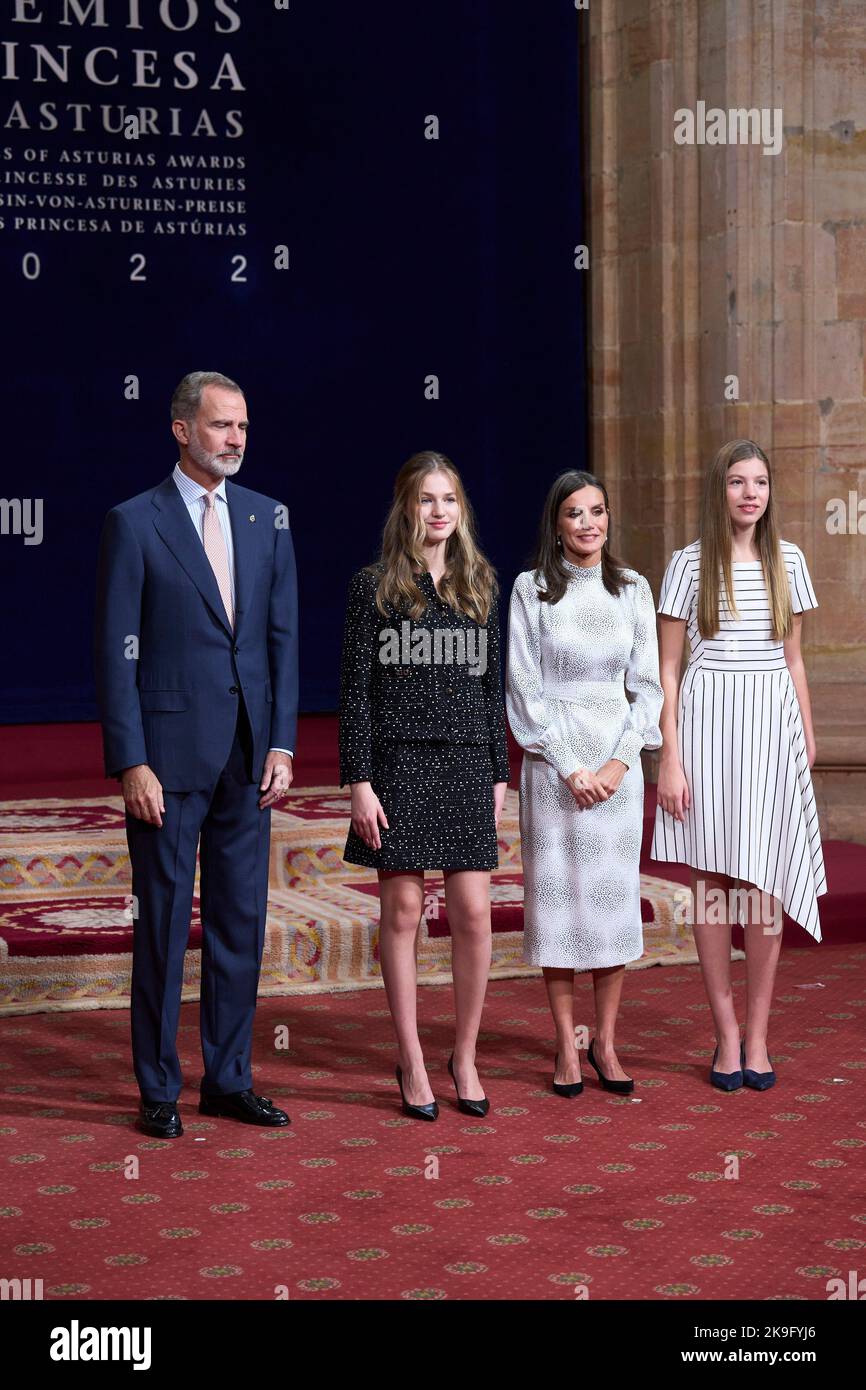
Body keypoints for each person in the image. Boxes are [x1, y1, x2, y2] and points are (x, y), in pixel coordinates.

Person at [94, 371, 298, 1137]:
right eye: (221, 425)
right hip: (167, 762)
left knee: (239, 925)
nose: (236, 438)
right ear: (182, 429)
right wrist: (131, 761)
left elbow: (281, 639)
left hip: (249, 760)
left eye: (243, 425)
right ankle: (157, 1088)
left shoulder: (267, 518)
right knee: (162, 926)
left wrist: (282, 741)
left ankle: (229, 1078)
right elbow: (115, 656)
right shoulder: (134, 522)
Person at [339, 451, 510, 1120]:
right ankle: (410, 1057)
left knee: (472, 913)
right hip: (399, 765)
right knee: (404, 913)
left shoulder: (481, 585)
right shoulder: (373, 587)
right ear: (406, 509)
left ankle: (462, 1054)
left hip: (467, 763)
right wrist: (359, 780)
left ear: (460, 510)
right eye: (426, 499)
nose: (439, 510)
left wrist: (499, 768)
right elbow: (354, 692)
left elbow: (492, 687)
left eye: (449, 499)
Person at [651, 439, 826, 1091]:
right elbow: (667, 668)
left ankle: (759, 1034)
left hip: (771, 730)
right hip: (706, 729)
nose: (750, 493)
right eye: (736, 482)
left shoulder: (790, 561)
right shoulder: (689, 565)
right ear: (716, 491)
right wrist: (669, 754)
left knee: (765, 885)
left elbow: (794, 660)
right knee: (712, 885)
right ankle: (724, 1034)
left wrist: (805, 737)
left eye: (759, 482)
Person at [506, 471, 663, 1097]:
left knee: (610, 905)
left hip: (617, 769)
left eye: (597, 511)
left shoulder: (632, 589)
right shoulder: (530, 590)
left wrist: (618, 765)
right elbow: (523, 685)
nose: (588, 524)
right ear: (557, 523)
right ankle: (566, 1047)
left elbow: (648, 688)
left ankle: (607, 1041)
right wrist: (570, 766)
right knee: (560, 906)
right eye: (575, 513)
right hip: (553, 768)